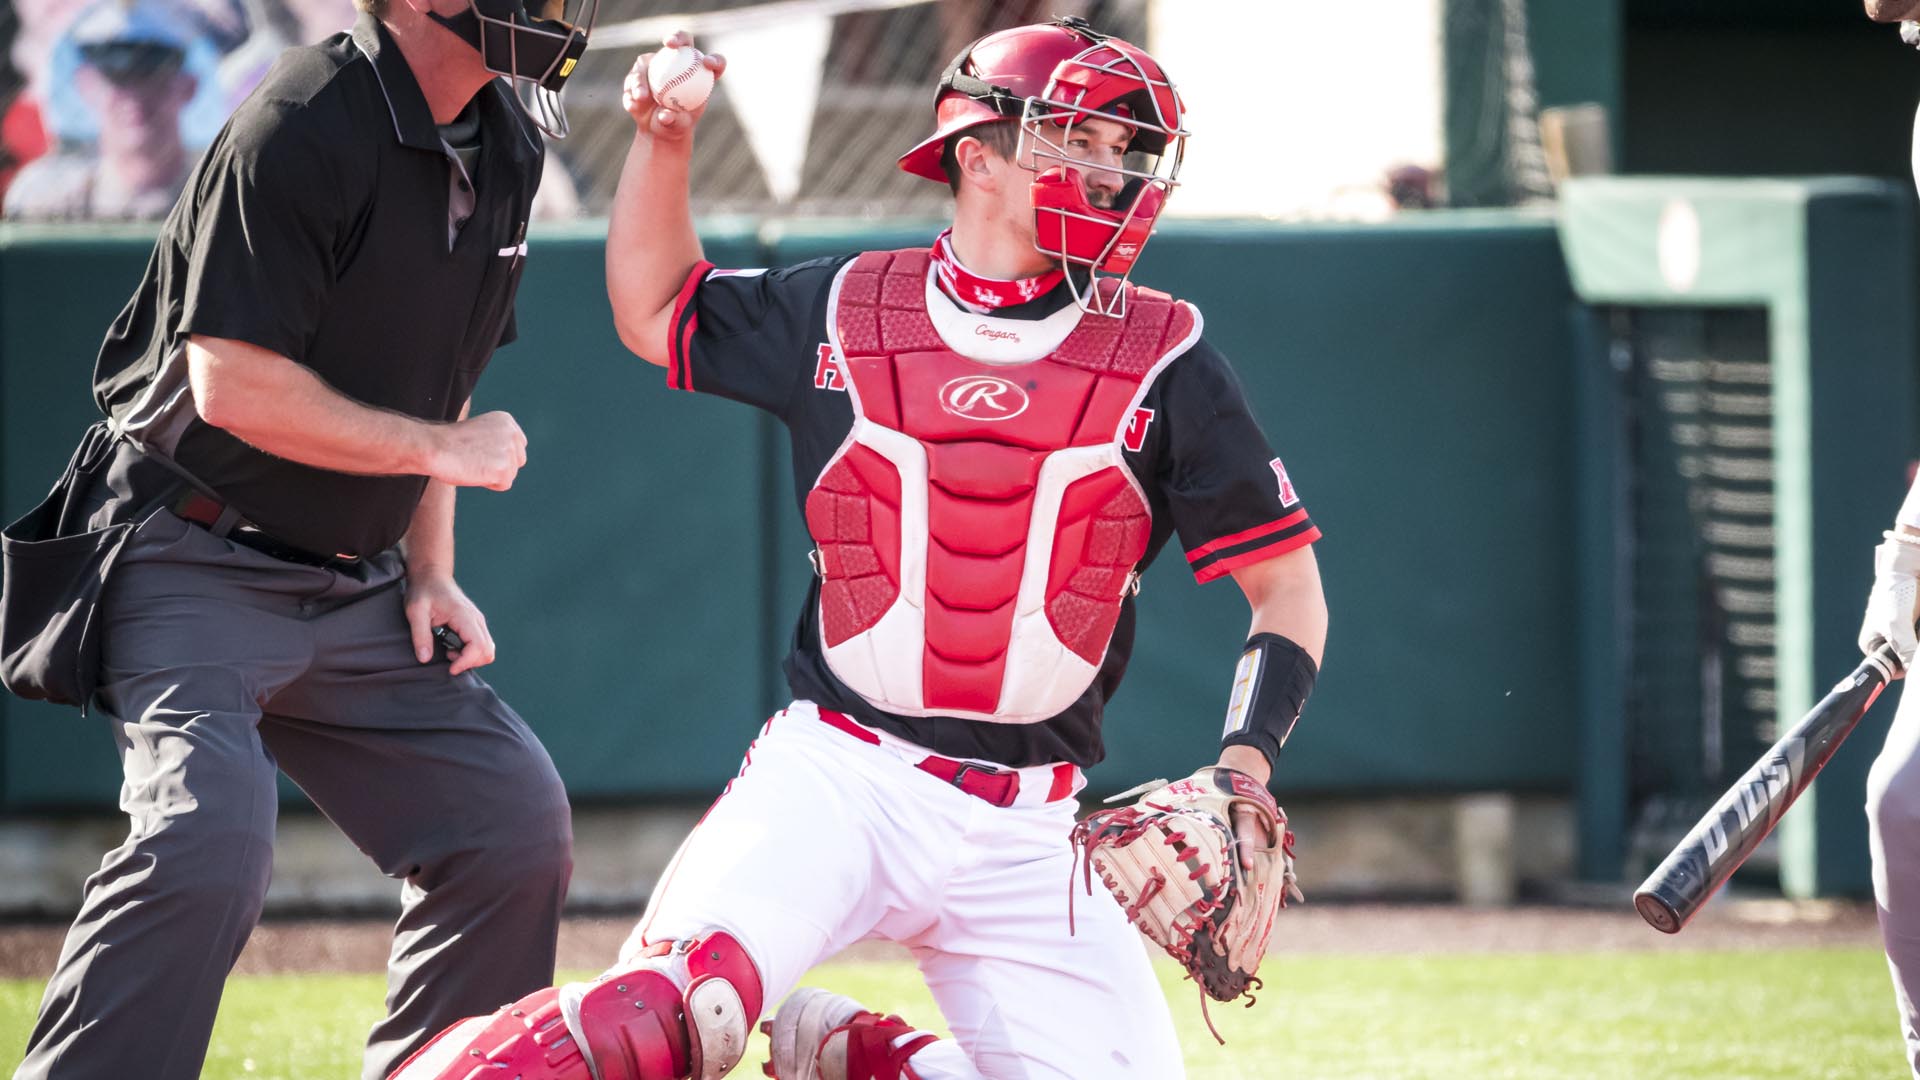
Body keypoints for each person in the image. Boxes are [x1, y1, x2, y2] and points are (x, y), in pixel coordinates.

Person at [392, 17, 1329, 1080]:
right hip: (842, 778)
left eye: (1126, 149)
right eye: (1078, 139)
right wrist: (663, 139)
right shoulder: (846, 306)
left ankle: (872, 1061)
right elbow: (655, 308)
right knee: (669, 1014)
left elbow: (1287, 591)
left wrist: (1245, 769)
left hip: (1033, 827)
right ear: (977, 153)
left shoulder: (1168, 354)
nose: (1112, 173)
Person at [1, 0, 598, 1076]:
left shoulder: (505, 141)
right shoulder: (303, 114)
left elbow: (447, 377)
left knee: (508, 825)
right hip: (190, 549)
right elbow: (230, 385)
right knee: (205, 843)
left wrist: (431, 570)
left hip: (353, 579)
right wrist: (441, 451)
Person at [4, 0, 202, 220]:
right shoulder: (44, 199)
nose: (132, 96)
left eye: (150, 76)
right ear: (86, 85)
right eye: (116, 78)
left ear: (188, 87)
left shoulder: (218, 194)